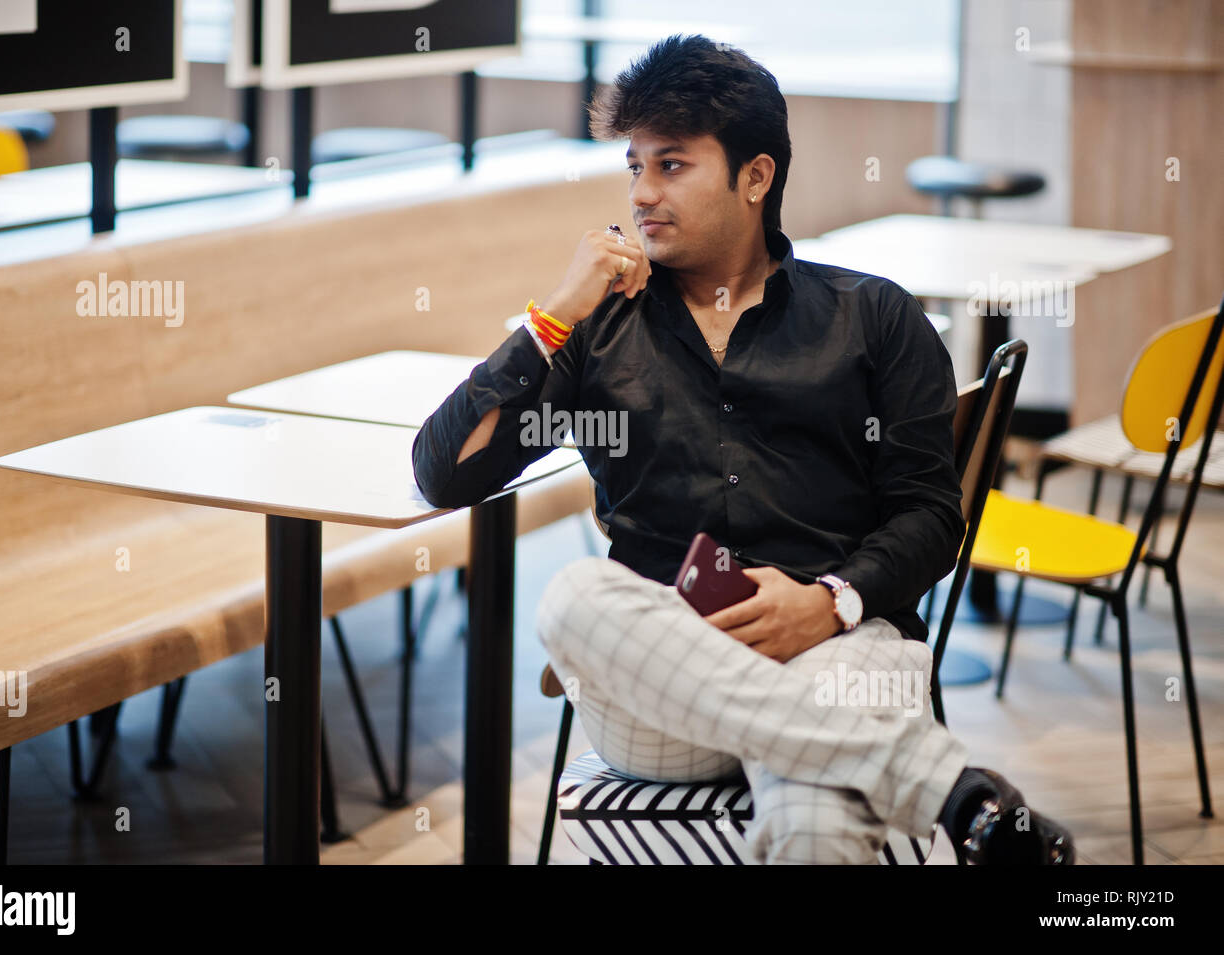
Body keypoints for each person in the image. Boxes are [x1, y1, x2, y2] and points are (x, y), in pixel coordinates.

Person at [412, 34, 1073, 864]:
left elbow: (933, 516)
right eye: (634, 165)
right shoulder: (595, 331)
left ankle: (901, 773)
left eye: (673, 165)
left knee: (818, 824)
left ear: (756, 177)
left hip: (837, 650)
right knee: (573, 596)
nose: (642, 193)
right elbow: (447, 472)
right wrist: (551, 316)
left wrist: (827, 600)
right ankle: (945, 787)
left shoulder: (873, 318)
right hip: (662, 687)